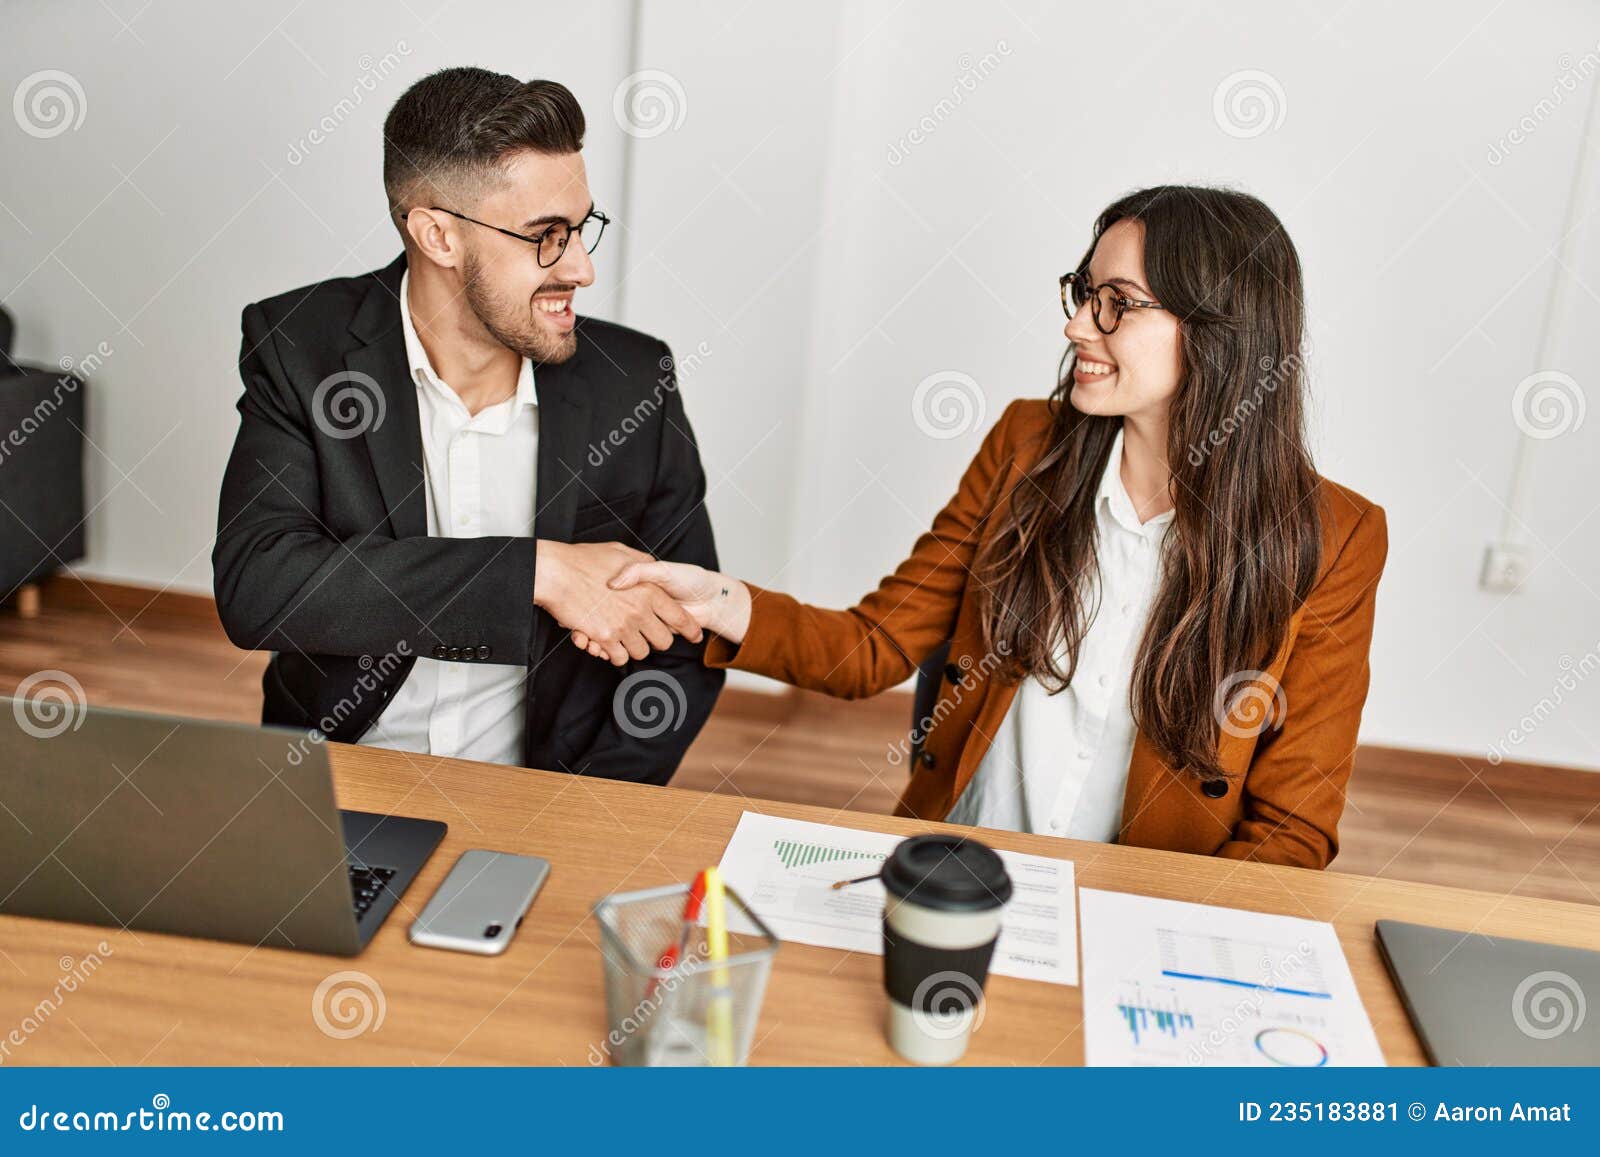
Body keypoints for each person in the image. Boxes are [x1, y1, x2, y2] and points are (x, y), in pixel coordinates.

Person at [591, 185, 1388, 867]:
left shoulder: (1334, 537)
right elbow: (874, 646)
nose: (1079, 325)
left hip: (1136, 918)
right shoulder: (1024, 447)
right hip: (957, 874)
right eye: (1082, 293)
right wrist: (717, 599)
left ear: (1221, 335)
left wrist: (1161, 938)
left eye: (1117, 305)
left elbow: (1291, 832)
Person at [213, 68, 720, 783]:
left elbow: (686, 641)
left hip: (550, 790)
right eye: (546, 236)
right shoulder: (303, 347)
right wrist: (535, 571)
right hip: (341, 780)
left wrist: (591, 808)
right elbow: (259, 586)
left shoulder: (633, 384)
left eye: (581, 229)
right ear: (438, 236)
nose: (581, 267)